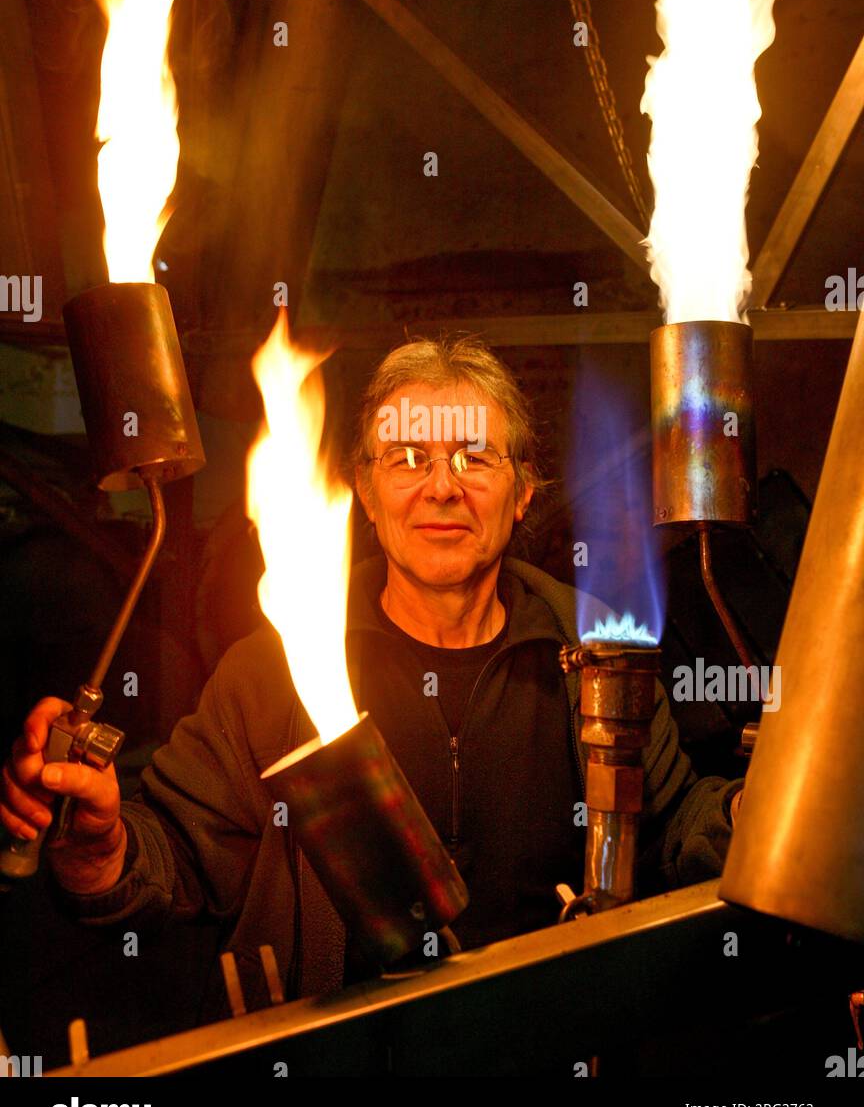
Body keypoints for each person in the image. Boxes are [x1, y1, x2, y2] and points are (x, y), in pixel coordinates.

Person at [0, 335, 743, 1017]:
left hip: (551, 1048)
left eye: (475, 457)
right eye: (408, 457)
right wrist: (103, 850)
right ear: (366, 489)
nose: (442, 488)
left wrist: (751, 812)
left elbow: (669, 832)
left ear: (522, 494)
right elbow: (181, 857)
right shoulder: (274, 669)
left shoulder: (597, 654)